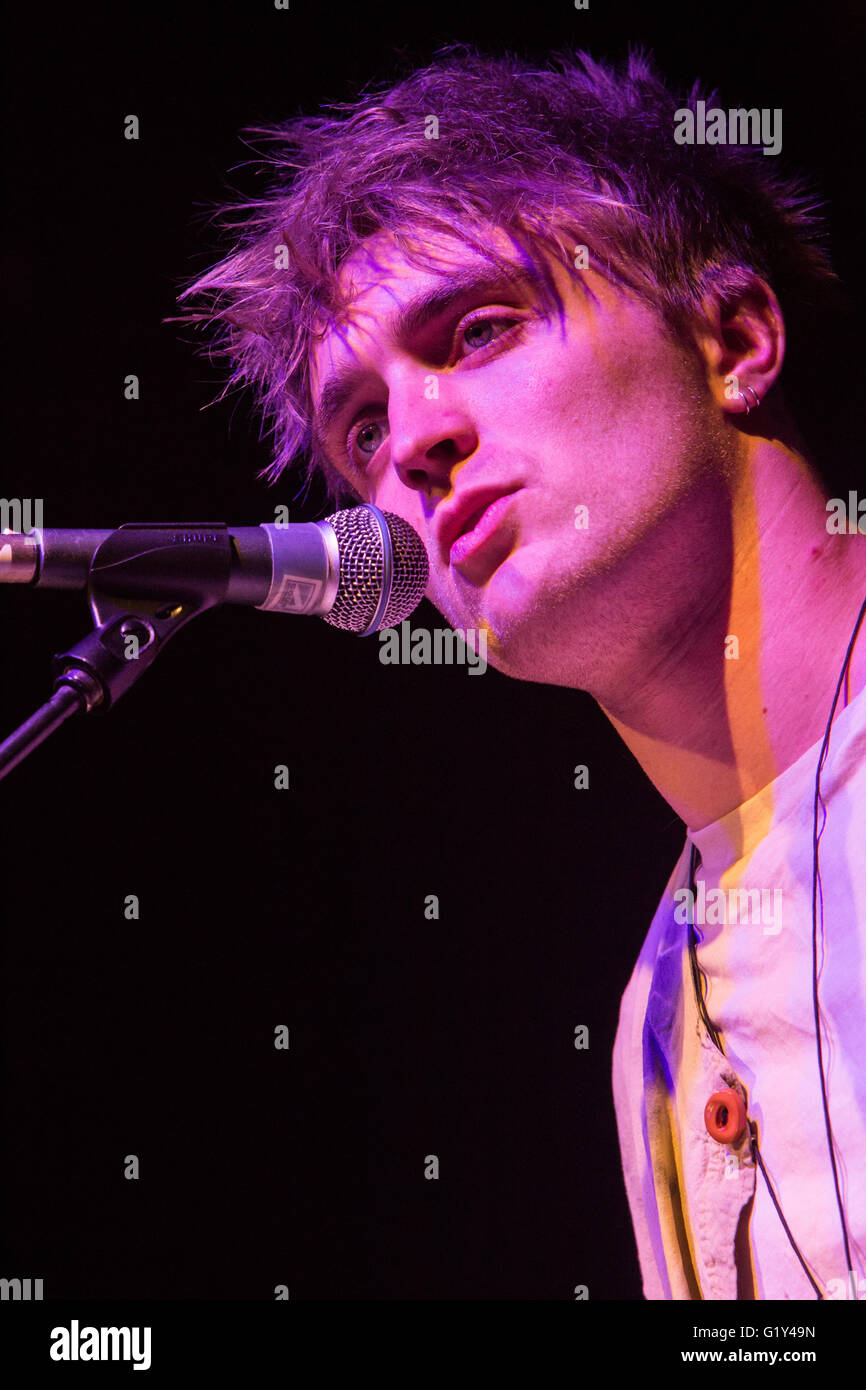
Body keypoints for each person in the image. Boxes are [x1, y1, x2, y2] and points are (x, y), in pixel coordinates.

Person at [175, 46, 866, 1299]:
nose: (419, 444)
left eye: (478, 329)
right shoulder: (658, 1023)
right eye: (363, 430)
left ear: (733, 336)